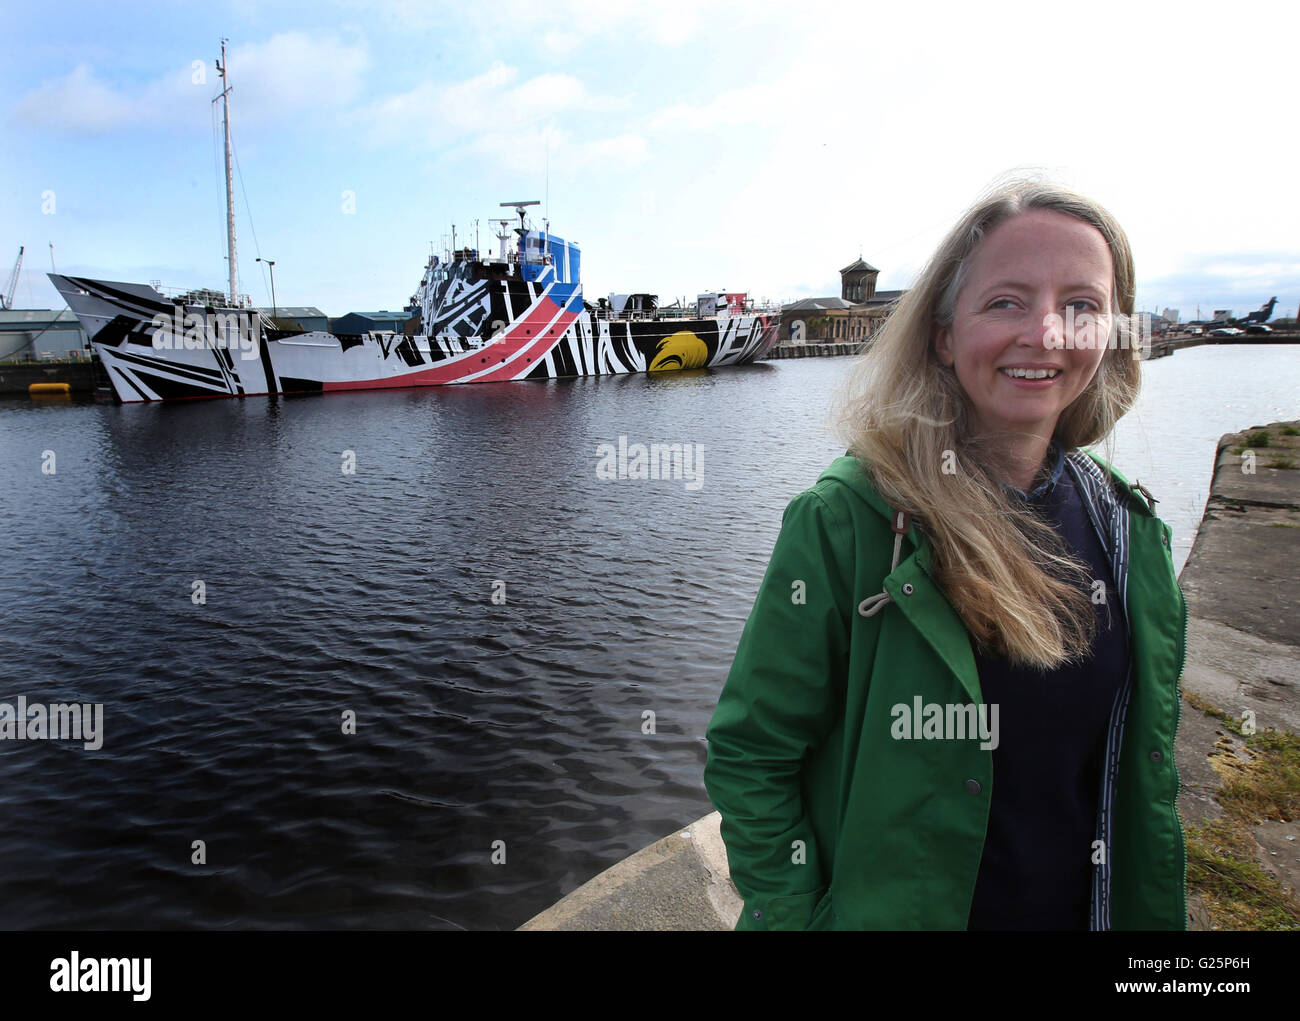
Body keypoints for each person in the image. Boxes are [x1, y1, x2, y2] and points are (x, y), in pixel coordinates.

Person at [703, 178, 1187, 931]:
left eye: (1082, 305)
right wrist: (795, 917)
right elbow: (752, 752)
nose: (1048, 333)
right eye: (1006, 302)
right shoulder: (848, 522)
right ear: (941, 334)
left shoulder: (1129, 531)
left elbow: (1139, 773)